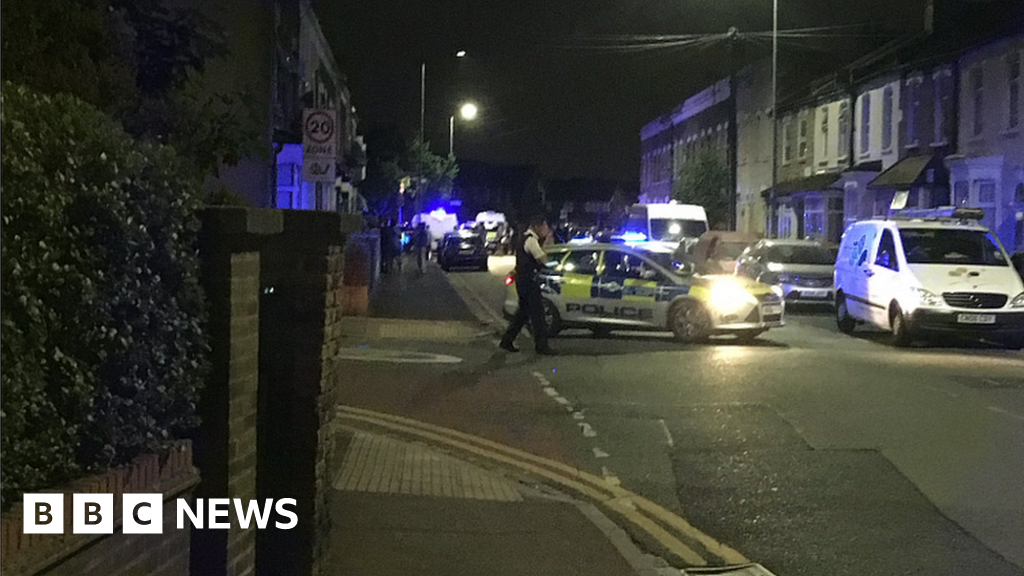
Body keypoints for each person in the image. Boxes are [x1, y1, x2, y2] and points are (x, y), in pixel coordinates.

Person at [500, 215, 555, 355]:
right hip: (529, 281)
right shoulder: (531, 241)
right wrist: (548, 244)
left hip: (522, 280)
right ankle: (541, 346)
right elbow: (542, 259)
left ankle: (507, 340)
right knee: (538, 314)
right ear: (538, 226)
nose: (546, 230)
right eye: (545, 227)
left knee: (522, 313)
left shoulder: (523, 239)